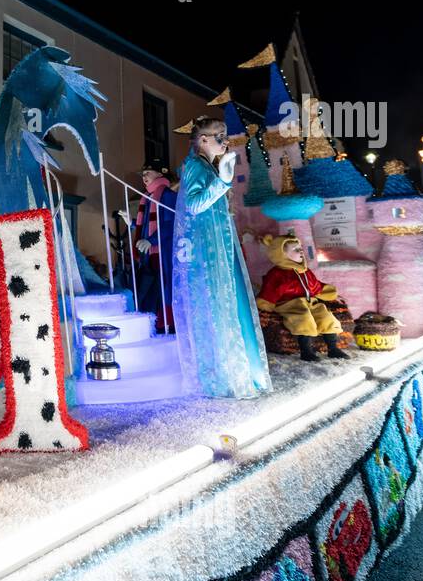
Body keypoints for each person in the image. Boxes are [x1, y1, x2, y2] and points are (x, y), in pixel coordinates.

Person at [171, 116, 272, 398]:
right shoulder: (193, 166)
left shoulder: (206, 165)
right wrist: (223, 182)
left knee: (229, 304)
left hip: (219, 251)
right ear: (203, 140)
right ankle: (221, 376)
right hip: (207, 255)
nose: (224, 142)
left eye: (224, 136)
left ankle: (239, 372)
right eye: (219, 136)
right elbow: (193, 206)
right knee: (217, 307)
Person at [256, 232, 350, 361]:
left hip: (311, 302)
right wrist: (266, 304)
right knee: (303, 319)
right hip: (290, 304)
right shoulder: (276, 274)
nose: (301, 251)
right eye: (295, 249)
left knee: (326, 316)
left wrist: (328, 292)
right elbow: (270, 290)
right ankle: (306, 352)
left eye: (300, 248)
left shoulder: (305, 271)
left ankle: (333, 348)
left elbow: (315, 286)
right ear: (281, 254)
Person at [131, 161, 178, 333]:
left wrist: (151, 240)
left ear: (160, 174)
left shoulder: (167, 195)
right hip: (150, 253)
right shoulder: (149, 197)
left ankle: (166, 324)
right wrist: (131, 223)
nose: (144, 177)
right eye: (143, 174)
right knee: (152, 289)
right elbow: (146, 225)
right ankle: (154, 323)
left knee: (163, 288)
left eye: (148, 173)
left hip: (162, 251)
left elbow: (170, 224)